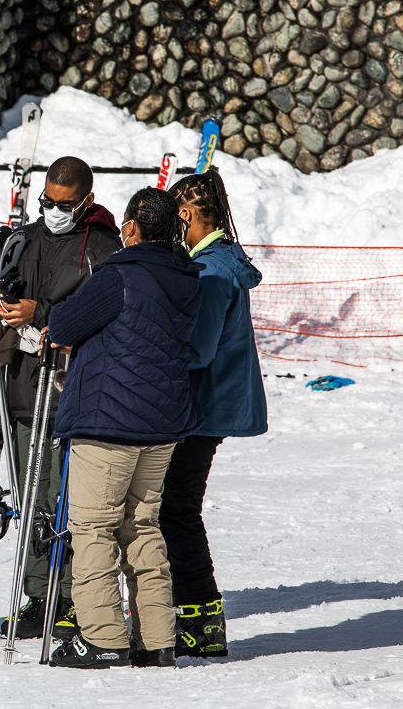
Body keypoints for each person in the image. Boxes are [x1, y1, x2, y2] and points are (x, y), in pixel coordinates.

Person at [45, 187, 203, 669]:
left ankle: (103, 636)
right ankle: (157, 639)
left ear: (131, 228)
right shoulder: (186, 276)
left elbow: (65, 326)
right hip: (162, 424)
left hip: (109, 420)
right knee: (142, 525)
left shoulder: (119, 275)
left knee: (92, 527)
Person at [0, 156, 122, 641]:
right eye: (47, 202)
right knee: (33, 499)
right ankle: (39, 595)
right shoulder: (21, 239)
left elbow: (108, 310)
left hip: (71, 390)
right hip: (19, 386)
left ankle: (74, 596)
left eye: (65, 204)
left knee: (68, 501)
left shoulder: (103, 246)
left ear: (86, 201)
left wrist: (44, 311)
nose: (54, 211)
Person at [163, 167, 266, 659]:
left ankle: (200, 617)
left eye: (171, 219)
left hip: (201, 408)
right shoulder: (221, 258)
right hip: (209, 406)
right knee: (175, 510)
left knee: (175, 511)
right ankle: (192, 613)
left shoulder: (210, 271)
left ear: (185, 215)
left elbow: (198, 351)